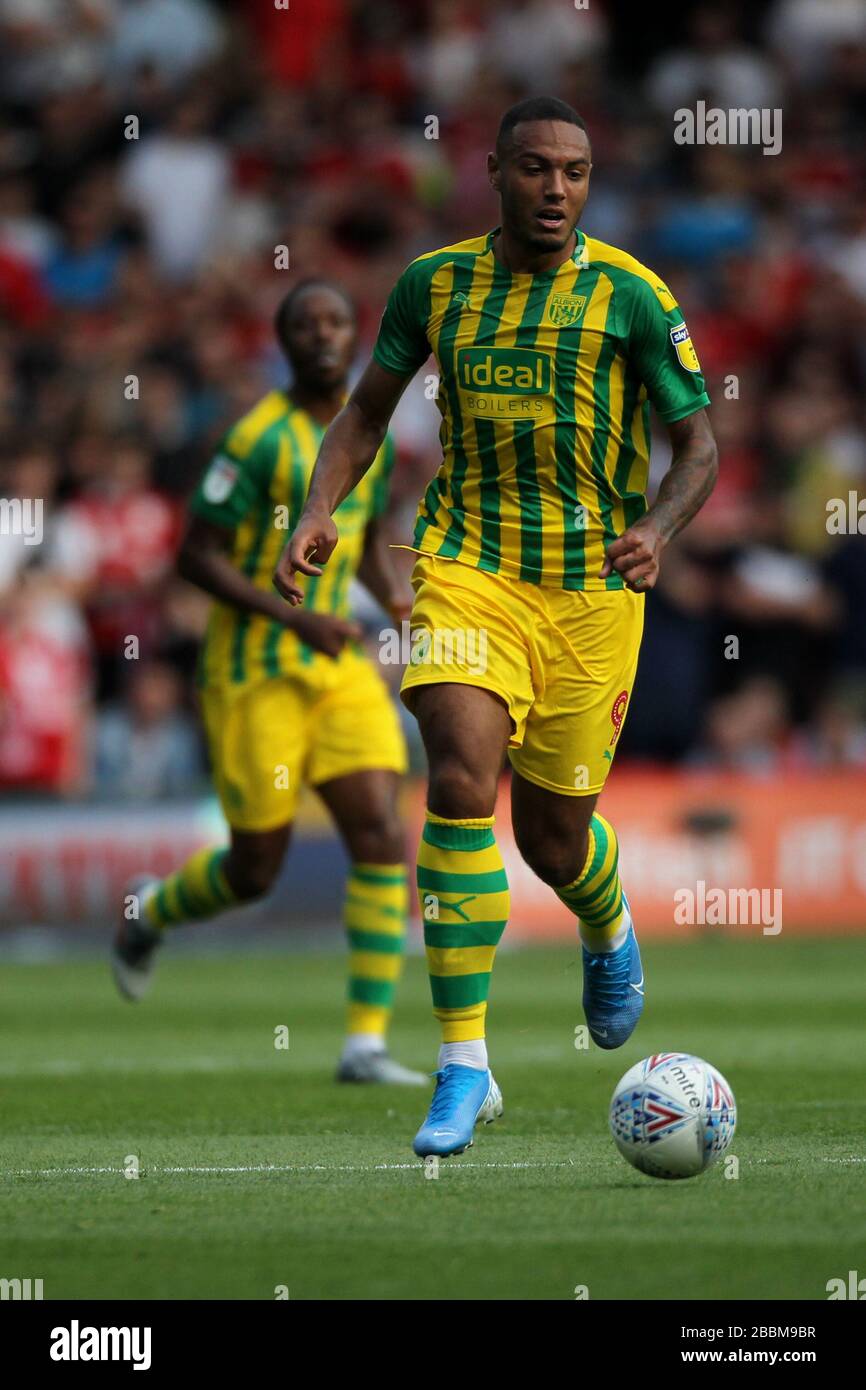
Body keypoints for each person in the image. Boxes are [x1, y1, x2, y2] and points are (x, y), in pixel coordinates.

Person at [274, 97, 718, 1153]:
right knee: (464, 782)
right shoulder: (435, 285)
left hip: (590, 596)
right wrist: (319, 508)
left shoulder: (631, 297)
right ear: (494, 174)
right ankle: (462, 1063)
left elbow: (696, 446)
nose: (555, 188)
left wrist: (655, 527)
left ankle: (604, 922)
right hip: (465, 569)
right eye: (534, 168)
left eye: (573, 170)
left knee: (550, 834)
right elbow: (367, 413)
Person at [112, 278, 426, 1087]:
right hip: (255, 670)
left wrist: (395, 599)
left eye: (336, 322)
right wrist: (294, 619)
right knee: (256, 870)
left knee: (381, 833)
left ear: (357, 336)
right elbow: (193, 555)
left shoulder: (373, 433)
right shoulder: (255, 439)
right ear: (282, 343)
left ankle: (364, 1044)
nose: (323, 335)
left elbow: (358, 531)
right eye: (305, 325)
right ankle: (152, 912)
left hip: (340, 666)